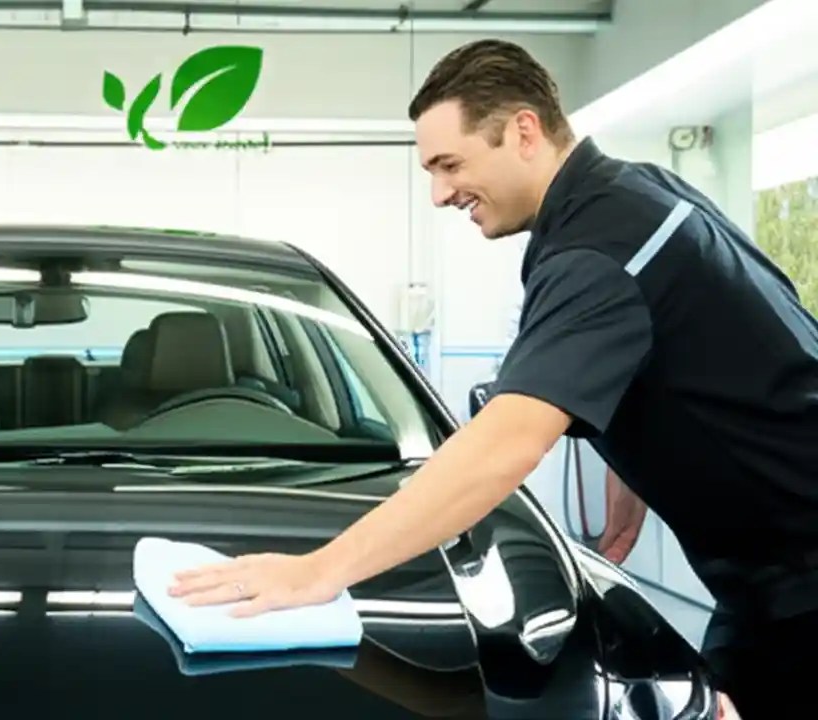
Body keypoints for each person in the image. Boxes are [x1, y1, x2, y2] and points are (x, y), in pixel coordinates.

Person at [168, 39, 818, 718]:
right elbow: (663, 365)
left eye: (450, 164)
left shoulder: (595, 254)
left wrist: (315, 572)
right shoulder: (639, 196)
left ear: (523, 131)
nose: (441, 192)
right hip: (769, 587)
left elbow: (506, 445)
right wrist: (624, 518)